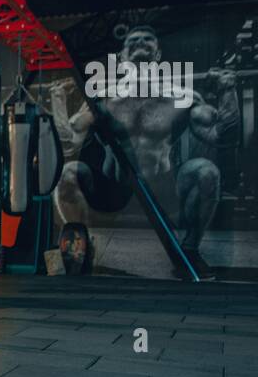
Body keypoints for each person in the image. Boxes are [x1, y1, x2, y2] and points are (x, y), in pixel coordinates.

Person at [52, 24, 237, 258]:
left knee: (207, 172)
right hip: (114, 190)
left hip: (163, 189)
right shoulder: (103, 100)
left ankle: (189, 250)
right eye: (133, 40)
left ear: (158, 54)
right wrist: (57, 101)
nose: (140, 42)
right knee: (68, 174)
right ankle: (81, 249)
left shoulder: (180, 97)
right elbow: (70, 143)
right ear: (121, 58)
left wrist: (228, 90)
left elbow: (223, 136)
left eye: (147, 39)